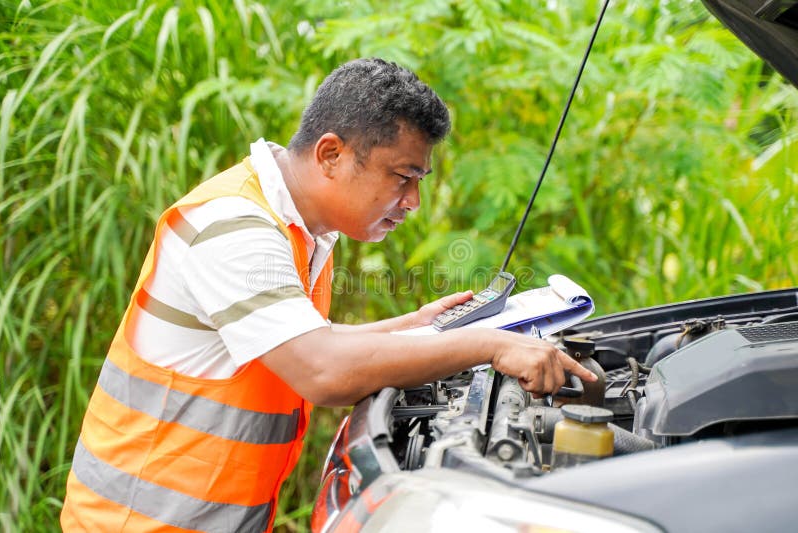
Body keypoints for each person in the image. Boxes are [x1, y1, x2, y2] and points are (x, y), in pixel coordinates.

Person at [61, 58, 596, 532]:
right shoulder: (234, 228)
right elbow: (321, 369)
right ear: (332, 154)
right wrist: (490, 344)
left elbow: (303, 340)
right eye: (403, 176)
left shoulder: (302, 228)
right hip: (136, 522)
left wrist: (413, 325)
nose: (413, 202)